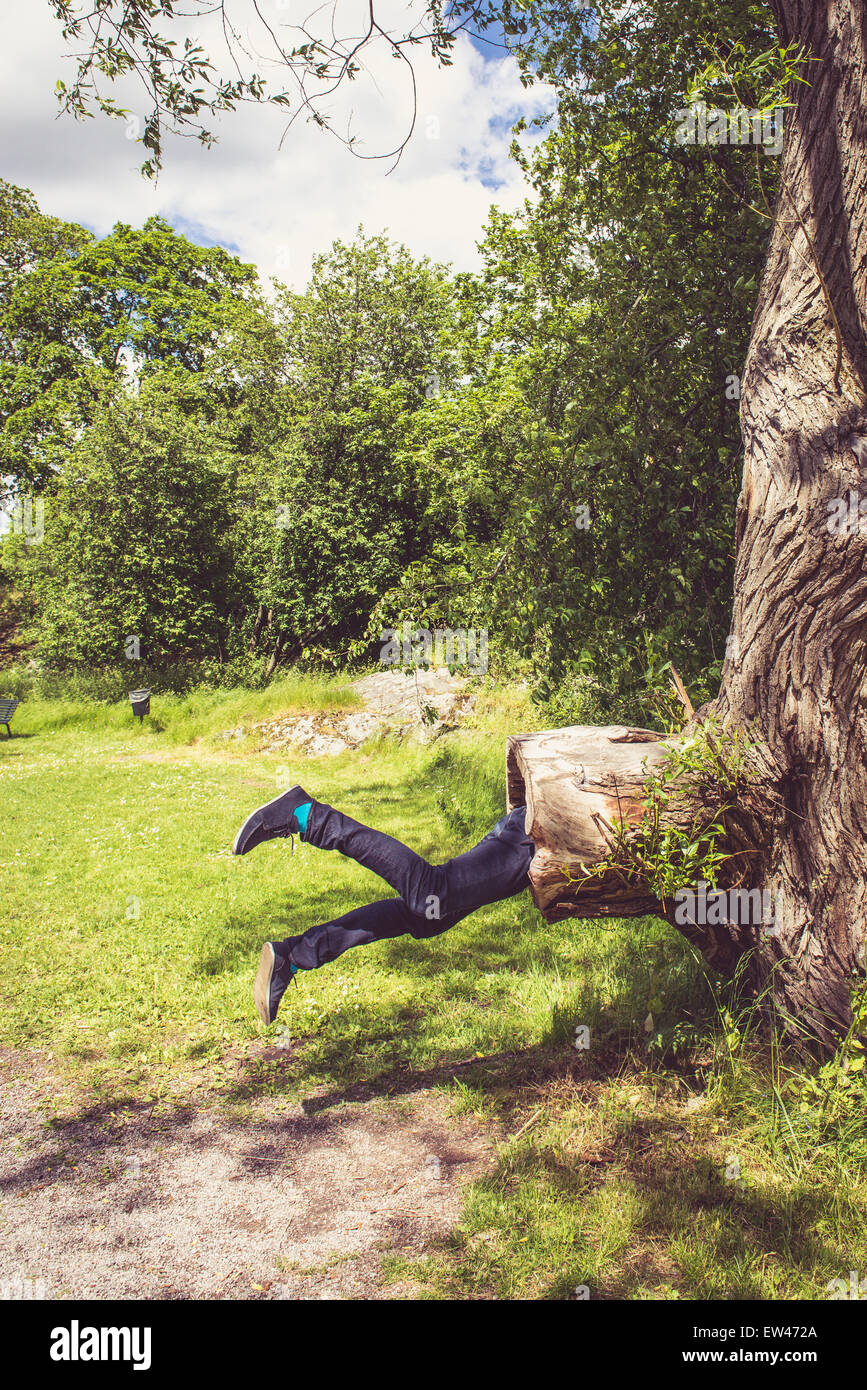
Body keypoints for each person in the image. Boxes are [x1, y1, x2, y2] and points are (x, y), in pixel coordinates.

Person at [232, 786, 536, 1025]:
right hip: (534, 838)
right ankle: (308, 817)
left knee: (428, 915)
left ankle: (293, 957)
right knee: (434, 894)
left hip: (526, 832)